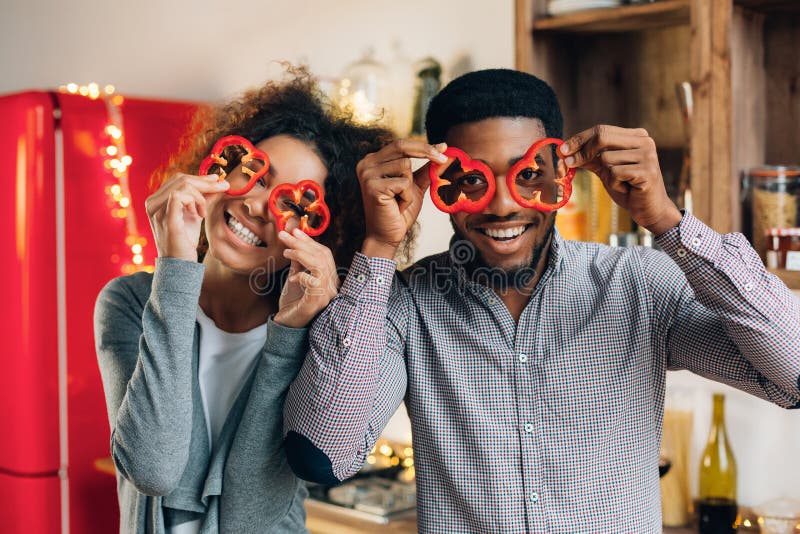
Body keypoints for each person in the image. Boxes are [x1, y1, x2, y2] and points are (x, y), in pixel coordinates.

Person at [283, 69, 800, 532]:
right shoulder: (406, 306)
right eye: (473, 181)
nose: (504, 204)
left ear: (563, 174)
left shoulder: (639, 284)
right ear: (438, 184)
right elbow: (323, 455)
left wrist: (666, 219)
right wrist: (378, 246)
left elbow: (792, 374)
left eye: (528, 174)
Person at [94, 70, 393, 534]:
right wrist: (174, 265)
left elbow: (248, 514)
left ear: (323, 236)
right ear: (217, 168)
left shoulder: (318, 332)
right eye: (254, 176)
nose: (258, 206)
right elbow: (154, 467)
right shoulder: (129, 302)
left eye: (292, 205)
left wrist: (288, 335)